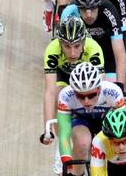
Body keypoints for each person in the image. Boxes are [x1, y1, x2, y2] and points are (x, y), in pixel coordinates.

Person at [41, 60, 126, 176]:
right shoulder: (66, 95)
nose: (87, 101)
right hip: (80, 121)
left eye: (92, 95)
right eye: (81, 96)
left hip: (106, 121)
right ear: (74, 92)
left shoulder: (113, 92)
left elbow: (121, 129)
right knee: (82, 143)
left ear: (100, 89)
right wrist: (67, 161)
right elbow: (64, 134)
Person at [40, 15, 104, 143]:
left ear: (84, 42)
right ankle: (62, 144)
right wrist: (48, 128)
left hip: (86, 76)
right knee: (59, 96)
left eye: (77, 46)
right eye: (67, 46)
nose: (72, 53)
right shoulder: (52, 49)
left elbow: (100, 87)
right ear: (60, 43)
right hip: (63, 74)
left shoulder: (94, 48)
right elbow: (49, 92)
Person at [58, 0, 126, 91]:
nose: (89, 14)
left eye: (93, 8)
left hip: (107, 52)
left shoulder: (108, 9)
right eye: (84, 9)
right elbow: (65, 48)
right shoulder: (69, 13)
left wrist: (120, 86)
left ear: (99, 4)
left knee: (113, 91)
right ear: (77, 7)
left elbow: (120, 54)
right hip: (80, 54)